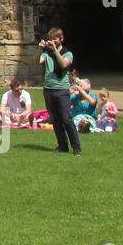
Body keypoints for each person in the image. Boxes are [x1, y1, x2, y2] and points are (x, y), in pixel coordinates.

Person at [40, 27, 80, 155]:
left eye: (55, 39)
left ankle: (77, 148)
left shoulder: (68, 53)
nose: (52, 41)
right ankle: (62, 146)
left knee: (66, 119)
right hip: (48, 89)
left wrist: (55, 51)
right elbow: (38, 62)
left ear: (61, 39)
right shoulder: (47, 53)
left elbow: (63, 65)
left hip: (61, 90)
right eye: (51, 39)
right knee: (55, 120)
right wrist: (39, 49)